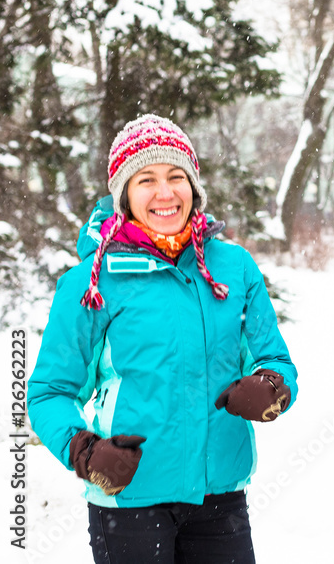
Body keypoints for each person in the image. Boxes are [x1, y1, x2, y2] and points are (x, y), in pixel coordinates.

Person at [28, 114, 298, 564]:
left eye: (177, 176)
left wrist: (271, 387)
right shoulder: (91, 283)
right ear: (124, 196)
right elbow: (49, 392)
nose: (165, 192)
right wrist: (84, 452)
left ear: (194, 186)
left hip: (220, 498)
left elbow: (274, 359)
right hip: (130, 501)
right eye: (146, 179)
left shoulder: (234, 268)